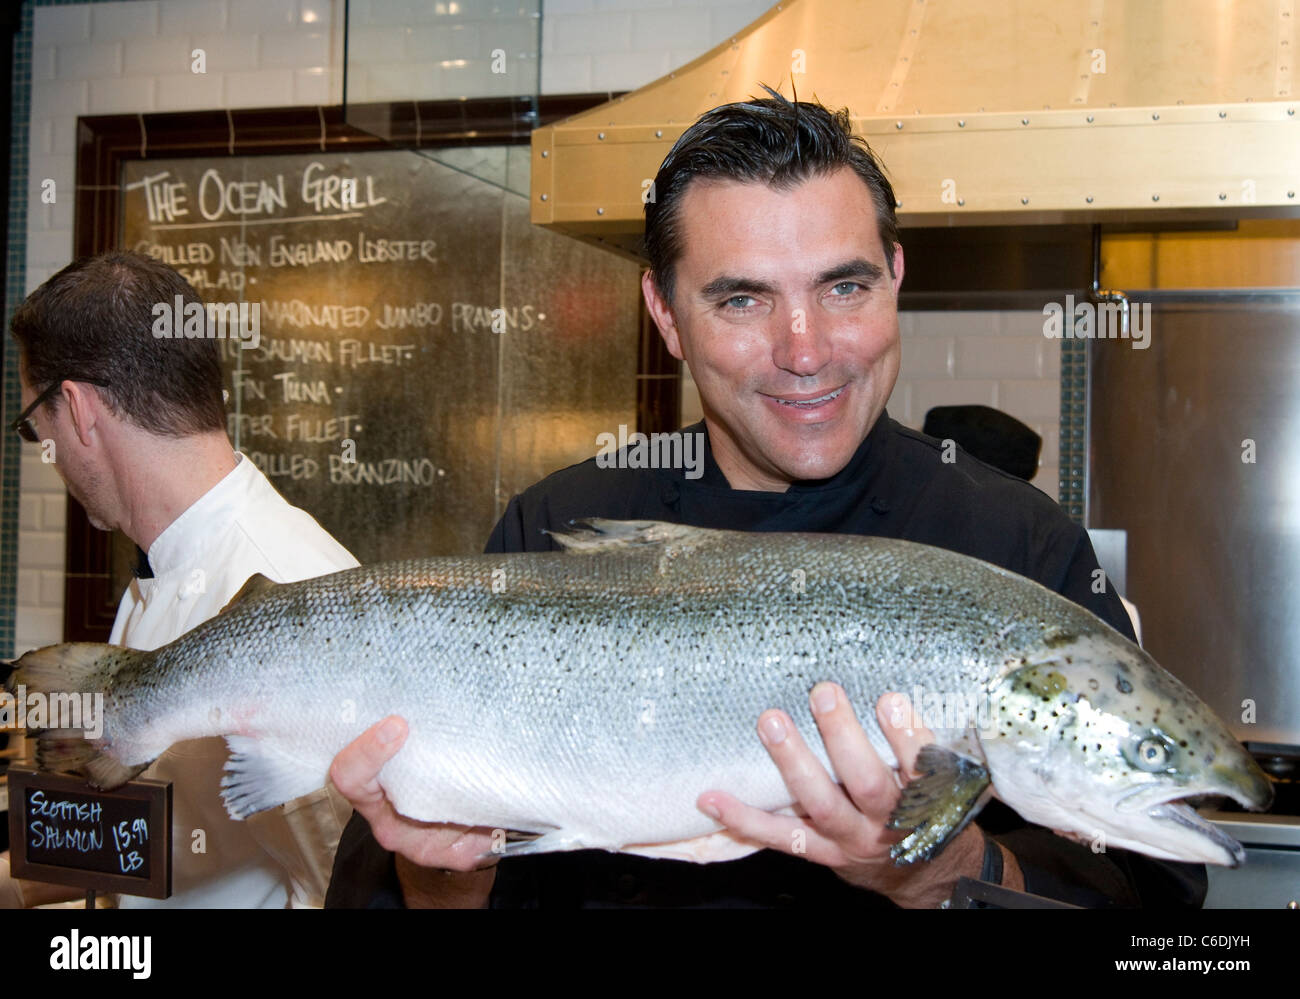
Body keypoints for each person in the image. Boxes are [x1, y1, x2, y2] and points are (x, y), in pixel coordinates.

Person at [324, 90, 1206, 908]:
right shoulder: (551, 532)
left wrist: (946, 870)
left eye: (844, 286)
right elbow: (404, 890)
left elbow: (1158, 900)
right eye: (743, 298)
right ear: (666, 315)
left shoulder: (1018, 544)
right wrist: (438, 864)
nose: (807, 349)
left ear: (896, 279)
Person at [2, 251, 359, 908]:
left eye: (35, 427)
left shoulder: (286, 595)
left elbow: (345, 885)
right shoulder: (165, 560)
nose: (46, 452)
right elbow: (158, 830)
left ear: (77, 410)